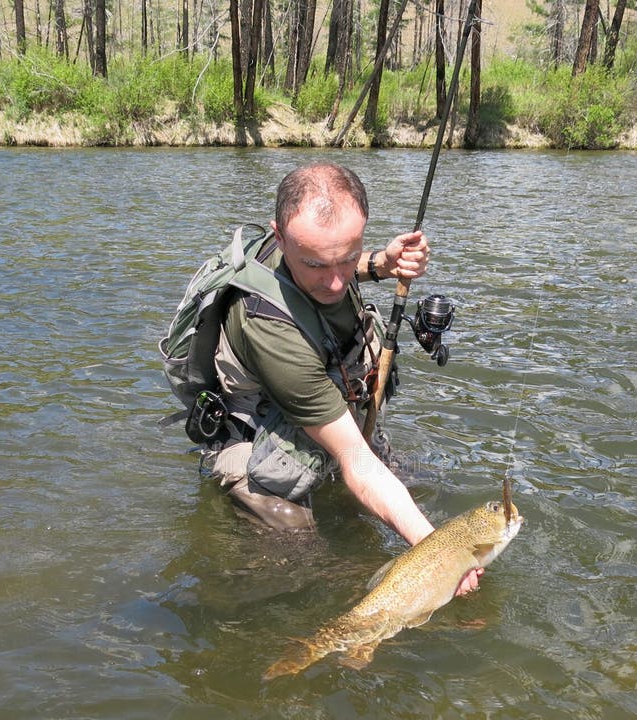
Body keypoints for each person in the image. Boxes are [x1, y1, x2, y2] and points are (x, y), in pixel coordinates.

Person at [199, 162, 481, 594]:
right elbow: (356, 459)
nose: (335, 283)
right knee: (308, 560)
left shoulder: (317, 255)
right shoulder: (268, 328)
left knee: (420, 486)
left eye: (348, 258)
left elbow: (334, 264)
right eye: (315, 264)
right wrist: (437, 550)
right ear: (280, 237)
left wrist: (381, 264)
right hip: (260, 450)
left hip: (319, 416)